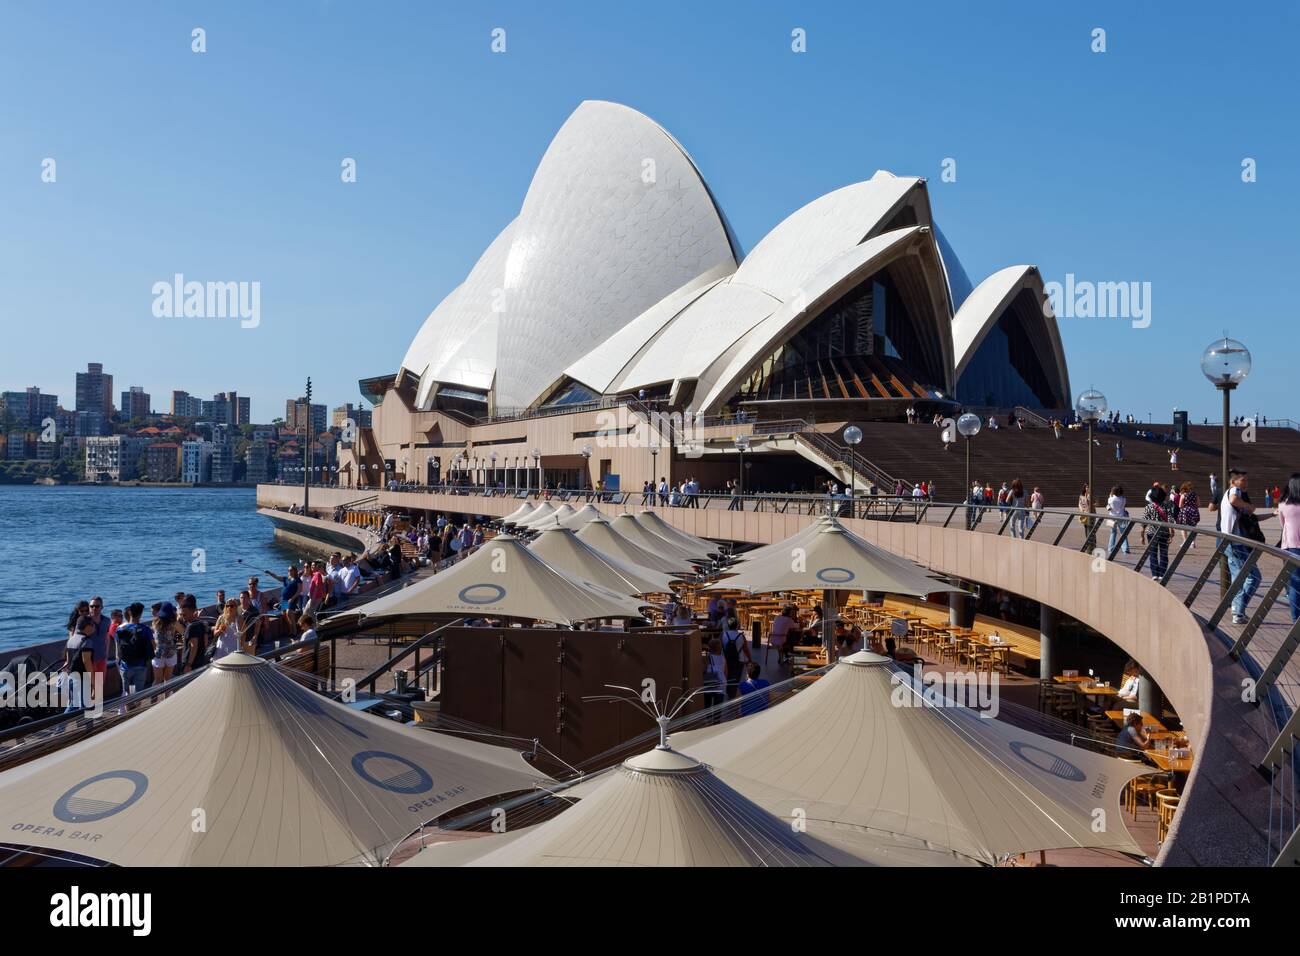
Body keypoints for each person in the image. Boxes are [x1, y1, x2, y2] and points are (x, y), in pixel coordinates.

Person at [1220, 469, 1262, 624]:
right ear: (1233, 481)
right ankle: (1238, 610)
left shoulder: (1227, 494)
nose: (1246, 483)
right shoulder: (1233, 491)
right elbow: (1234, 499)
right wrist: (1249, 506)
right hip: (1235, 543)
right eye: (1243, 480)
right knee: (1254, 577)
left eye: (1246, 480)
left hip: (1230, 542)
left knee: (1238, 577)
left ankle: (1237, 610)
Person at [115, 603, 154, 694]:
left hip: (125, 666)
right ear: (140, 614)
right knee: (138, 692)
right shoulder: (145, 629)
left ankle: (128, 708)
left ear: (129, 613)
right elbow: (153, 646)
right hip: (141, 665)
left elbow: (117, 651)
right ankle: (136, 707)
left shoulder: (120, 629)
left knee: (126, 693)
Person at [1278, 474, 1300, 622]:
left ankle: (1295, 619)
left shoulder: (1283, 504)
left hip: (1289, 546)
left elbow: (1282, 524)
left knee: (1294, 584)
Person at [62, 615, 95, 712]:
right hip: (82, 678)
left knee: (73, 704)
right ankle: (89, 727)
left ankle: (60, 726)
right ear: (87, 627)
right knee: (85, 705)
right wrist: (93, 683)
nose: (93, 627)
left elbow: (68, 662)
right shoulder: (87, 641)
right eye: (92, 625)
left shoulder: (71, 639)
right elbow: (87, 662)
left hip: (72, 677)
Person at [1142, 485, 1174, 580]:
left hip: (1151, 533)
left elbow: (1144, 522)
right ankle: (1162, 574)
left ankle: (1155, 574)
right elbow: (1170, 520)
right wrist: (1172, 532)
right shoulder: (1167, 505)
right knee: (1164, 553)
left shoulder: (1149, 507)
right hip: (1164, 532)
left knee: (1153, 553)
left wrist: (1142, 535)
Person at [720, 613, 752, 699]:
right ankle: (732, 696)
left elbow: (720, 647)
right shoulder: (741, 636)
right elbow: (745, 650)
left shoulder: (723, 635)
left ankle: (726, 693)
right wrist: (750, 659)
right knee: (735, 679)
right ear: (737, 626)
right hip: (739, 660)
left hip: (726, 660)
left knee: (726, 677)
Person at [179, 596, 209, 674]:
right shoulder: (201, 624)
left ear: (192, 612)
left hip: (190, 663)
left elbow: (193, 646)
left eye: (184, 615)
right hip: (200, 660)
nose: (183, 617)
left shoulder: (190, 627)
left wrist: (188, 664)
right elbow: (205, 642)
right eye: (182, 614)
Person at [151, 602, 179, 684]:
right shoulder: (174, 623)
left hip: (158, 653)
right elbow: (183, 631)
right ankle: (167, 696)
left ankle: (155, 696)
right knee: (168, 679)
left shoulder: (155, 622)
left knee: (157, 679)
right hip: (171, 652)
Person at [702, 637, 727, 722]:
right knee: (718, 706)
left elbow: (703, 670)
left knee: (707, 703)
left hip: (709, 683)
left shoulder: (707, 657)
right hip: (721, 684)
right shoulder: (723, 658)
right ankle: (716, 721)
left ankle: (708, 720)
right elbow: (726, 672)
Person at [1106, 485, 1130, 555]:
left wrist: (1110, 495)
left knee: (1113, 533)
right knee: (1123, 533)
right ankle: (1125, 548)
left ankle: (1111, 548)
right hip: (1121, 517)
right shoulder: (1123, 499)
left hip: (1112, 517)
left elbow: (1108, 505)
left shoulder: (1111, 499)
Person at [1177, 481, 1200, 548]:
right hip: (1194, 511)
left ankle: (1185, 542)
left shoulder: (1183, 495)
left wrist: (1186, 505)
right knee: (1193, 527)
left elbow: (1180, 505)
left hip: (1185, 512)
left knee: (1183, 527)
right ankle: (1193, 543)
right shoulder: (1195, 495)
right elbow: (1198, 504)